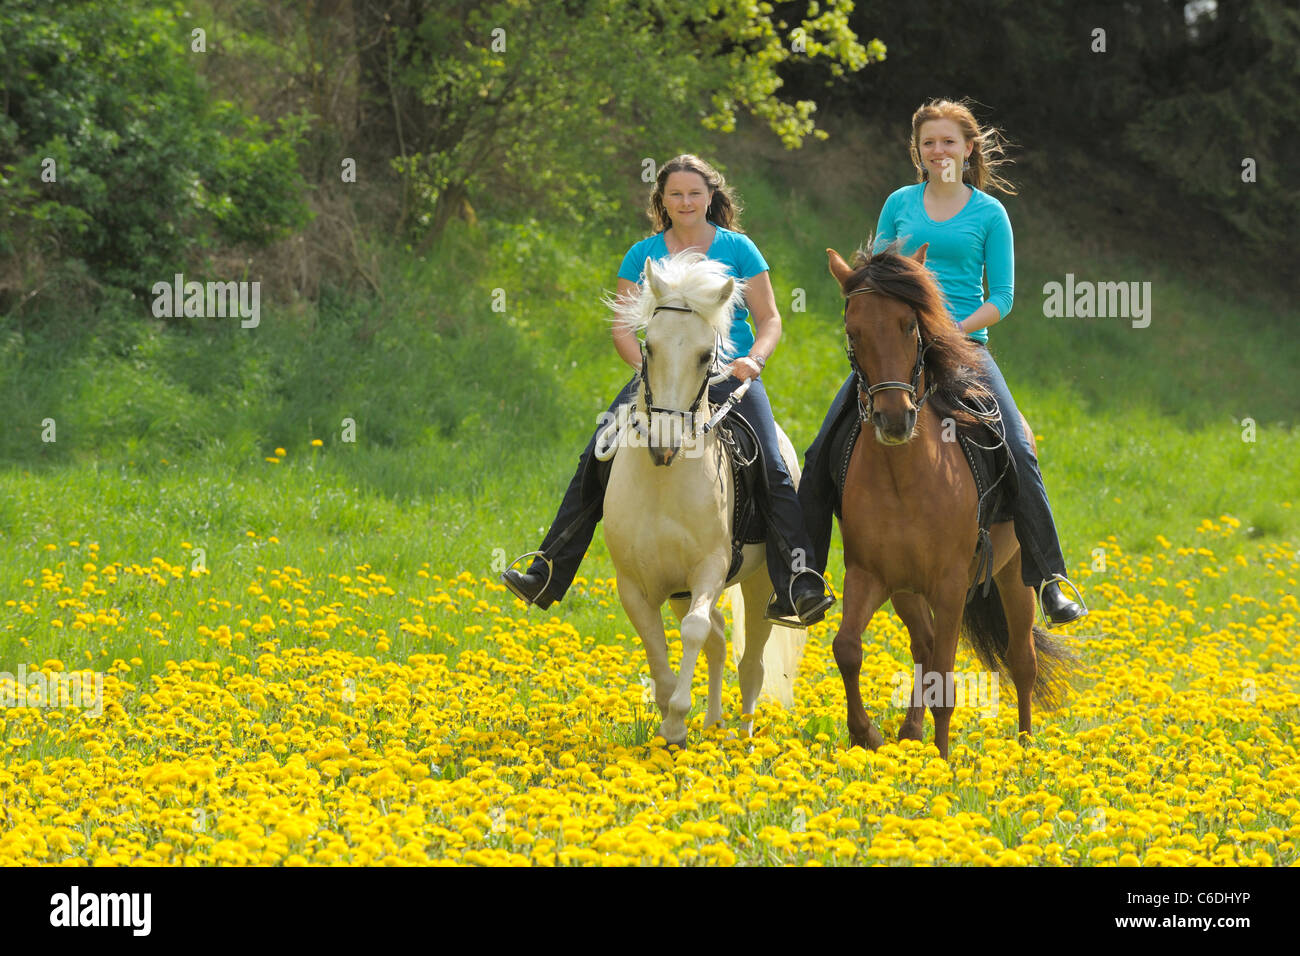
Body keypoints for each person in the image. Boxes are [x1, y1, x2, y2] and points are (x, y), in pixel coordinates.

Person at [502, 154, 834, 626]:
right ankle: (548, 568)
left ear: (711, 197)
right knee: (597, 452)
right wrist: (652, 369)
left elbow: (770, 319)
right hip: (658, 379)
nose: (685, 201)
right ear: (662, 199)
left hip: (727, 377)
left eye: (694, 193)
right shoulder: (642, 255)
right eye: (675, 194)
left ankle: (798, 583)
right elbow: (622, 329)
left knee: (774, 465)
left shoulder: (740, 248)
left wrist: (753, 361)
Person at [800, 100, 1087, 626]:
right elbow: (879, 276)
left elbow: (1002, 297)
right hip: (898, 352)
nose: (939, 151)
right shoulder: (899, 203)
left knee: (1020, 448)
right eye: (929, 142)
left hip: (964, 348)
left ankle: (1048, 577)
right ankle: (805, 576)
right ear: (919, 150)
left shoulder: (989, 213)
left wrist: (949, 330)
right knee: (820, 451)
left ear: (969, 148)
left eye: (949, 141)